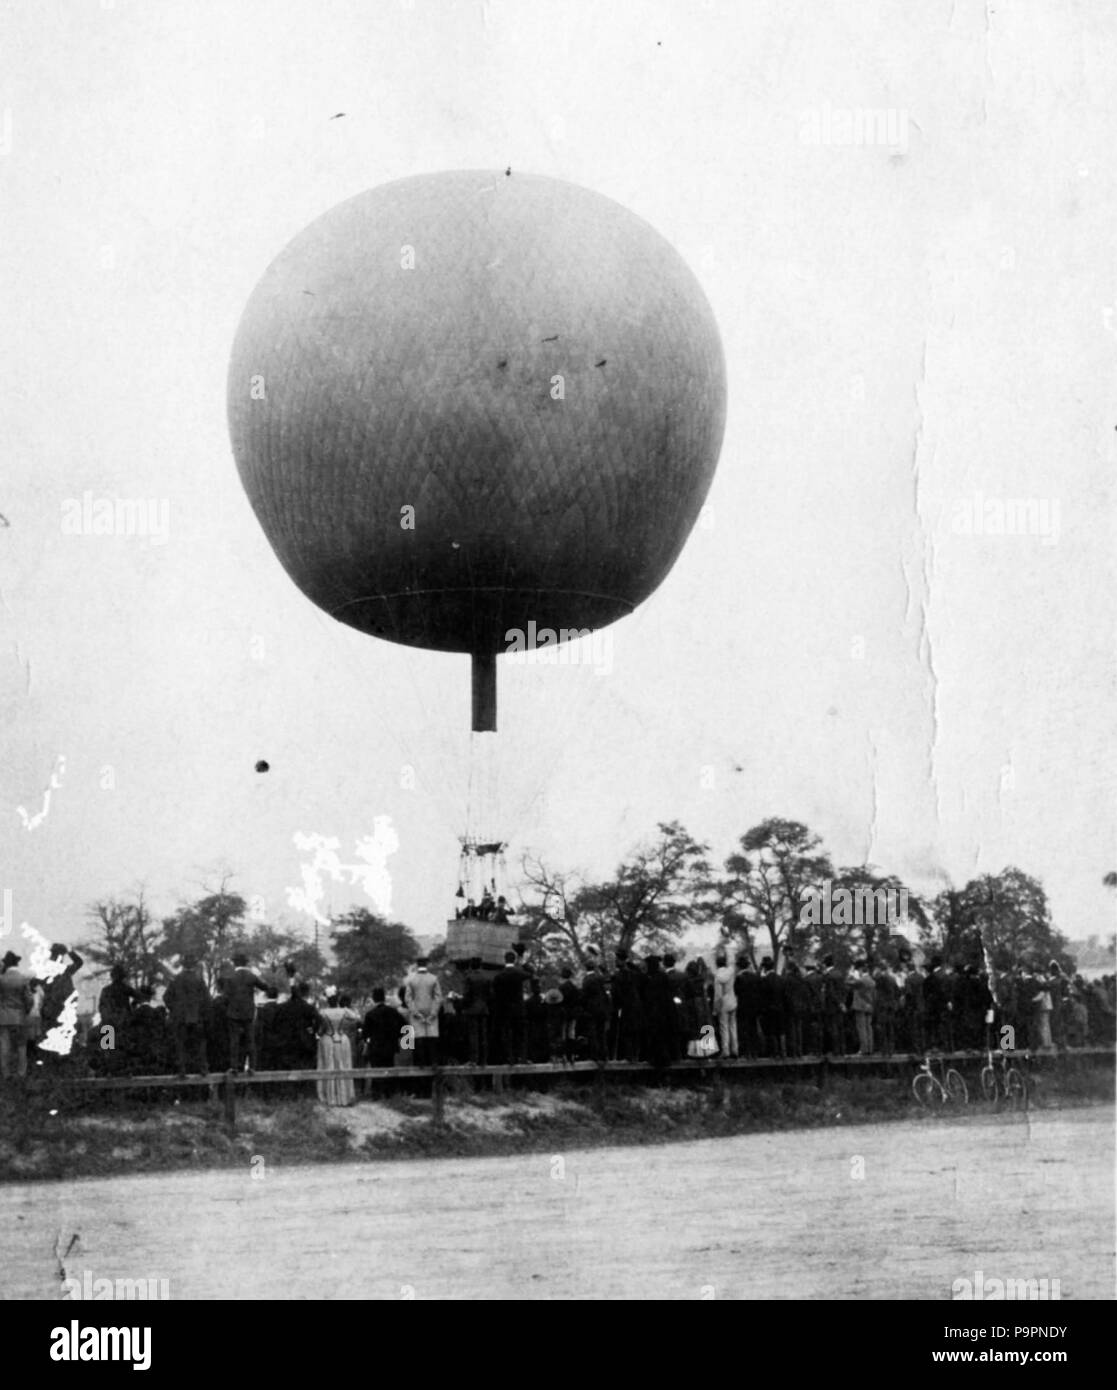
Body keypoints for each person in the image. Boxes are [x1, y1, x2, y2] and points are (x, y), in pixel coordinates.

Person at [164, 955, 210, 1077]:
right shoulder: (199, 980)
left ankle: (182, 1070)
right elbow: (207, 999)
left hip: (180, 1018)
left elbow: (166, 997)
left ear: (183, 965)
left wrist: (174, 1010)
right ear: (194, 965)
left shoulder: (176, 979)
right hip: (196, 1017)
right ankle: (203, 1069)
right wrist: (201, 1013)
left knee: (181, 1044)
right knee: (199, 1044)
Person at [223, 954, 270, 1073]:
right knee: (250, 1040)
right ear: (246, 963)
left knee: (234, 1040)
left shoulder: (230, 977)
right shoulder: (251, 976)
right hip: (248, 1012)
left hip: (233, 1013)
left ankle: (234, 1066)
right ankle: (252, 1066)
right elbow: (265, 987)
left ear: (235, 963)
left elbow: (226, 996)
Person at [317, 993, 360, 1105]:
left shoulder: (323, 1012)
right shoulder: (344, 1011)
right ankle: (344, 1096)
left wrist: (320, 1033)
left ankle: (330, 1096)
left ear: (328, 1001)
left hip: (328, 1038)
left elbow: (320, 1028)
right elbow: (356, 1017)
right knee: (343, 1064)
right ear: (337, 1001)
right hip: (342, 1039)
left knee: (329, 1065)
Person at [404, 958, 442, 1067]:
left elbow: (408, 999)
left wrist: (415, 1012)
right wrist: (433, 1013)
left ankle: (421, 1063)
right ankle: (433, 1062)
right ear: (427, 964)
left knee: (418, 1038)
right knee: (432, 1038)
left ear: (417, 965)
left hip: (417, 1013)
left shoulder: (411, 980)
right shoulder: (433, 979)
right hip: (431, 1012)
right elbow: (438, 997)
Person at [491, 950, 528, 1064]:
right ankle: (520, 1057)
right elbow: (531, 973)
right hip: (518, 1009)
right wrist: (523, 962)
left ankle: (508, 1057)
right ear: (514, 960)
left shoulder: (499, 976)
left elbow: (495, 993)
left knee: (506, 1034)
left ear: (505, 960)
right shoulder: (519, 974)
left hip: (504, 1009)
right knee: (519, 1034)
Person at [0, 951, 31, 1080]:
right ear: (17, 963)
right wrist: (26, 1011)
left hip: (3, 1017)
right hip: (19, 1017)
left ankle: (6, 1073)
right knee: (21, 1046)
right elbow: (29, 999)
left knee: (5, 1046)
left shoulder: (1, 979)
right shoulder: (23, 979)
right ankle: (21, 1073)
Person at [610, 948, 645, 1061]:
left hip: (627, 1006)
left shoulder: (621, 975)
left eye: (617, 959)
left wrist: (617, 1006)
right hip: (635, 1005)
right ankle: (634, 1054)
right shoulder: (634, 973)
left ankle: (629, 1055)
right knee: (633, 1031)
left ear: (621, 960)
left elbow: (617, 993)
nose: (615, 961)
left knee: (627, 1031)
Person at [363, 987, 407, 1069]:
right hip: (390, 1048)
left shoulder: (370, 1015)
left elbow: (365, 1035)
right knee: (389, 1071)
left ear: (374, 998)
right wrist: (396, 1035)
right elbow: (405, 1026)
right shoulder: (393, 1012)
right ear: (384, 997)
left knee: (377, 1073)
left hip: (375, 1048)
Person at [459, 957, 492, 1067]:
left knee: (473, 1036)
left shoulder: (469, 978)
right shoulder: (486, 978)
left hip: (472, 1010)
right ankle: (484, 1060)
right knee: (483, 1035)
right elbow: (490, 994)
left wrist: (462, 1005)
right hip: (483, 1009)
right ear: (481, 965)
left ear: (471, 966)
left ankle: (474, 1060)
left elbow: (467, 995)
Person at [579, 958, 611, 1062]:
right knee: (602, 1034)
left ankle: (595, 1056)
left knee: (593, 1033)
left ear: (586, 968)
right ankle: (604, 1055)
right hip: (602, 1010)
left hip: (592, 1011)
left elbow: (584, 997)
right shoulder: (600, 978)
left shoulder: (586, 980)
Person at [711, 952, 738, 1059]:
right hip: (732, 1001)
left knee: (724, 1028)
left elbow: (718, 996)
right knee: (733, 1026)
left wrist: (715, 1009)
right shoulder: (731, 972)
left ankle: (725, 1050)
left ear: (717, 964)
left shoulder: (717, 977)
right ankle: (735, 1049)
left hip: (723, 1004)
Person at [734, 957, 762, 1058]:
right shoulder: (755, 977)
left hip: (743, 1007)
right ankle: (755, 1051)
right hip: (754, 1007)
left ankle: (747, 1052)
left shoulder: (739, 978)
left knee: (744, 1030)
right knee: (753, 1029)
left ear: (739, 966)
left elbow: (736, 992)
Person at [758, 957, 785, 1058]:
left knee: (771, 1032)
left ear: (764, 968)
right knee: (780, 1031)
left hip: (769, 1010)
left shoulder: (765, 980)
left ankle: (774, 1052)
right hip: (780, 1008)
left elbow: (762, 996)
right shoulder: (780, 979)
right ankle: (783, 1052)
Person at [821, 955, 846, 1056]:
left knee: (833, 1028)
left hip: (831, 1005)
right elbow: (843, 990)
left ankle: (835, 1051)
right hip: (840, 1005)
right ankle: (842, 1050)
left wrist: (838, 1002)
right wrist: (842, 1003)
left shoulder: (828, 976)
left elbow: (831, 992)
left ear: (825, 964)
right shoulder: (839, 973)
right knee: (840, 1028)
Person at [849, 960, 875, 1055]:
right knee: (869, 1028)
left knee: (861, 1028)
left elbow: (847, 982)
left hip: (860, 1006)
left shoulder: (860, 981)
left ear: (860, 970)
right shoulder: (872, 980)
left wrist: (851, 974)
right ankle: (870, 1048)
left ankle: (863, 1049)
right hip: (869, 1005)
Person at [255, 987, 283, 1071]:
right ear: (277, 996)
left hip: (265, 1044)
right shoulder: (282, 1009)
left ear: (266, 995)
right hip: (279, 1044)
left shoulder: (261, 1010)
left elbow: (258, 1029)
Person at [558, 966, 580, 1063]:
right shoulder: (574, 988)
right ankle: (572, 1055)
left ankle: (564, 1055)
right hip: (573, 1013)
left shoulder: (561, 988)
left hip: (564, 1014)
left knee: (563, 1033)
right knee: (571, 1033)